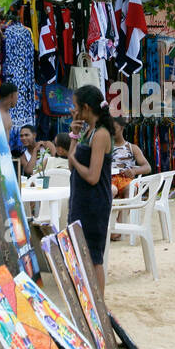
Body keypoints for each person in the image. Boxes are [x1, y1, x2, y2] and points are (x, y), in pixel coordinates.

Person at [67, 85, 115, 293]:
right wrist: (74, 135)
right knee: (80, 252)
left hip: (94, 203)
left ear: (86, 107)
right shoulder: (88, 131)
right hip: (81, 200)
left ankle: (98, 305)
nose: (73, 111)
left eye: (76, 106)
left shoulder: (101, 134)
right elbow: (71, 163)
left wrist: (74, 161)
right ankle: (88, 301)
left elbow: (93, 176)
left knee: (94, 257)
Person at [109, 117, 151, 197]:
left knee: (132, 189)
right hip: (109, 180)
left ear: (122, 127)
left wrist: (134, 171)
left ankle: (125, 210)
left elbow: (147, 167)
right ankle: (110, 209)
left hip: (126, 180)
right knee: (111, 190)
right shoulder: (105, 147)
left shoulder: (132, 148)